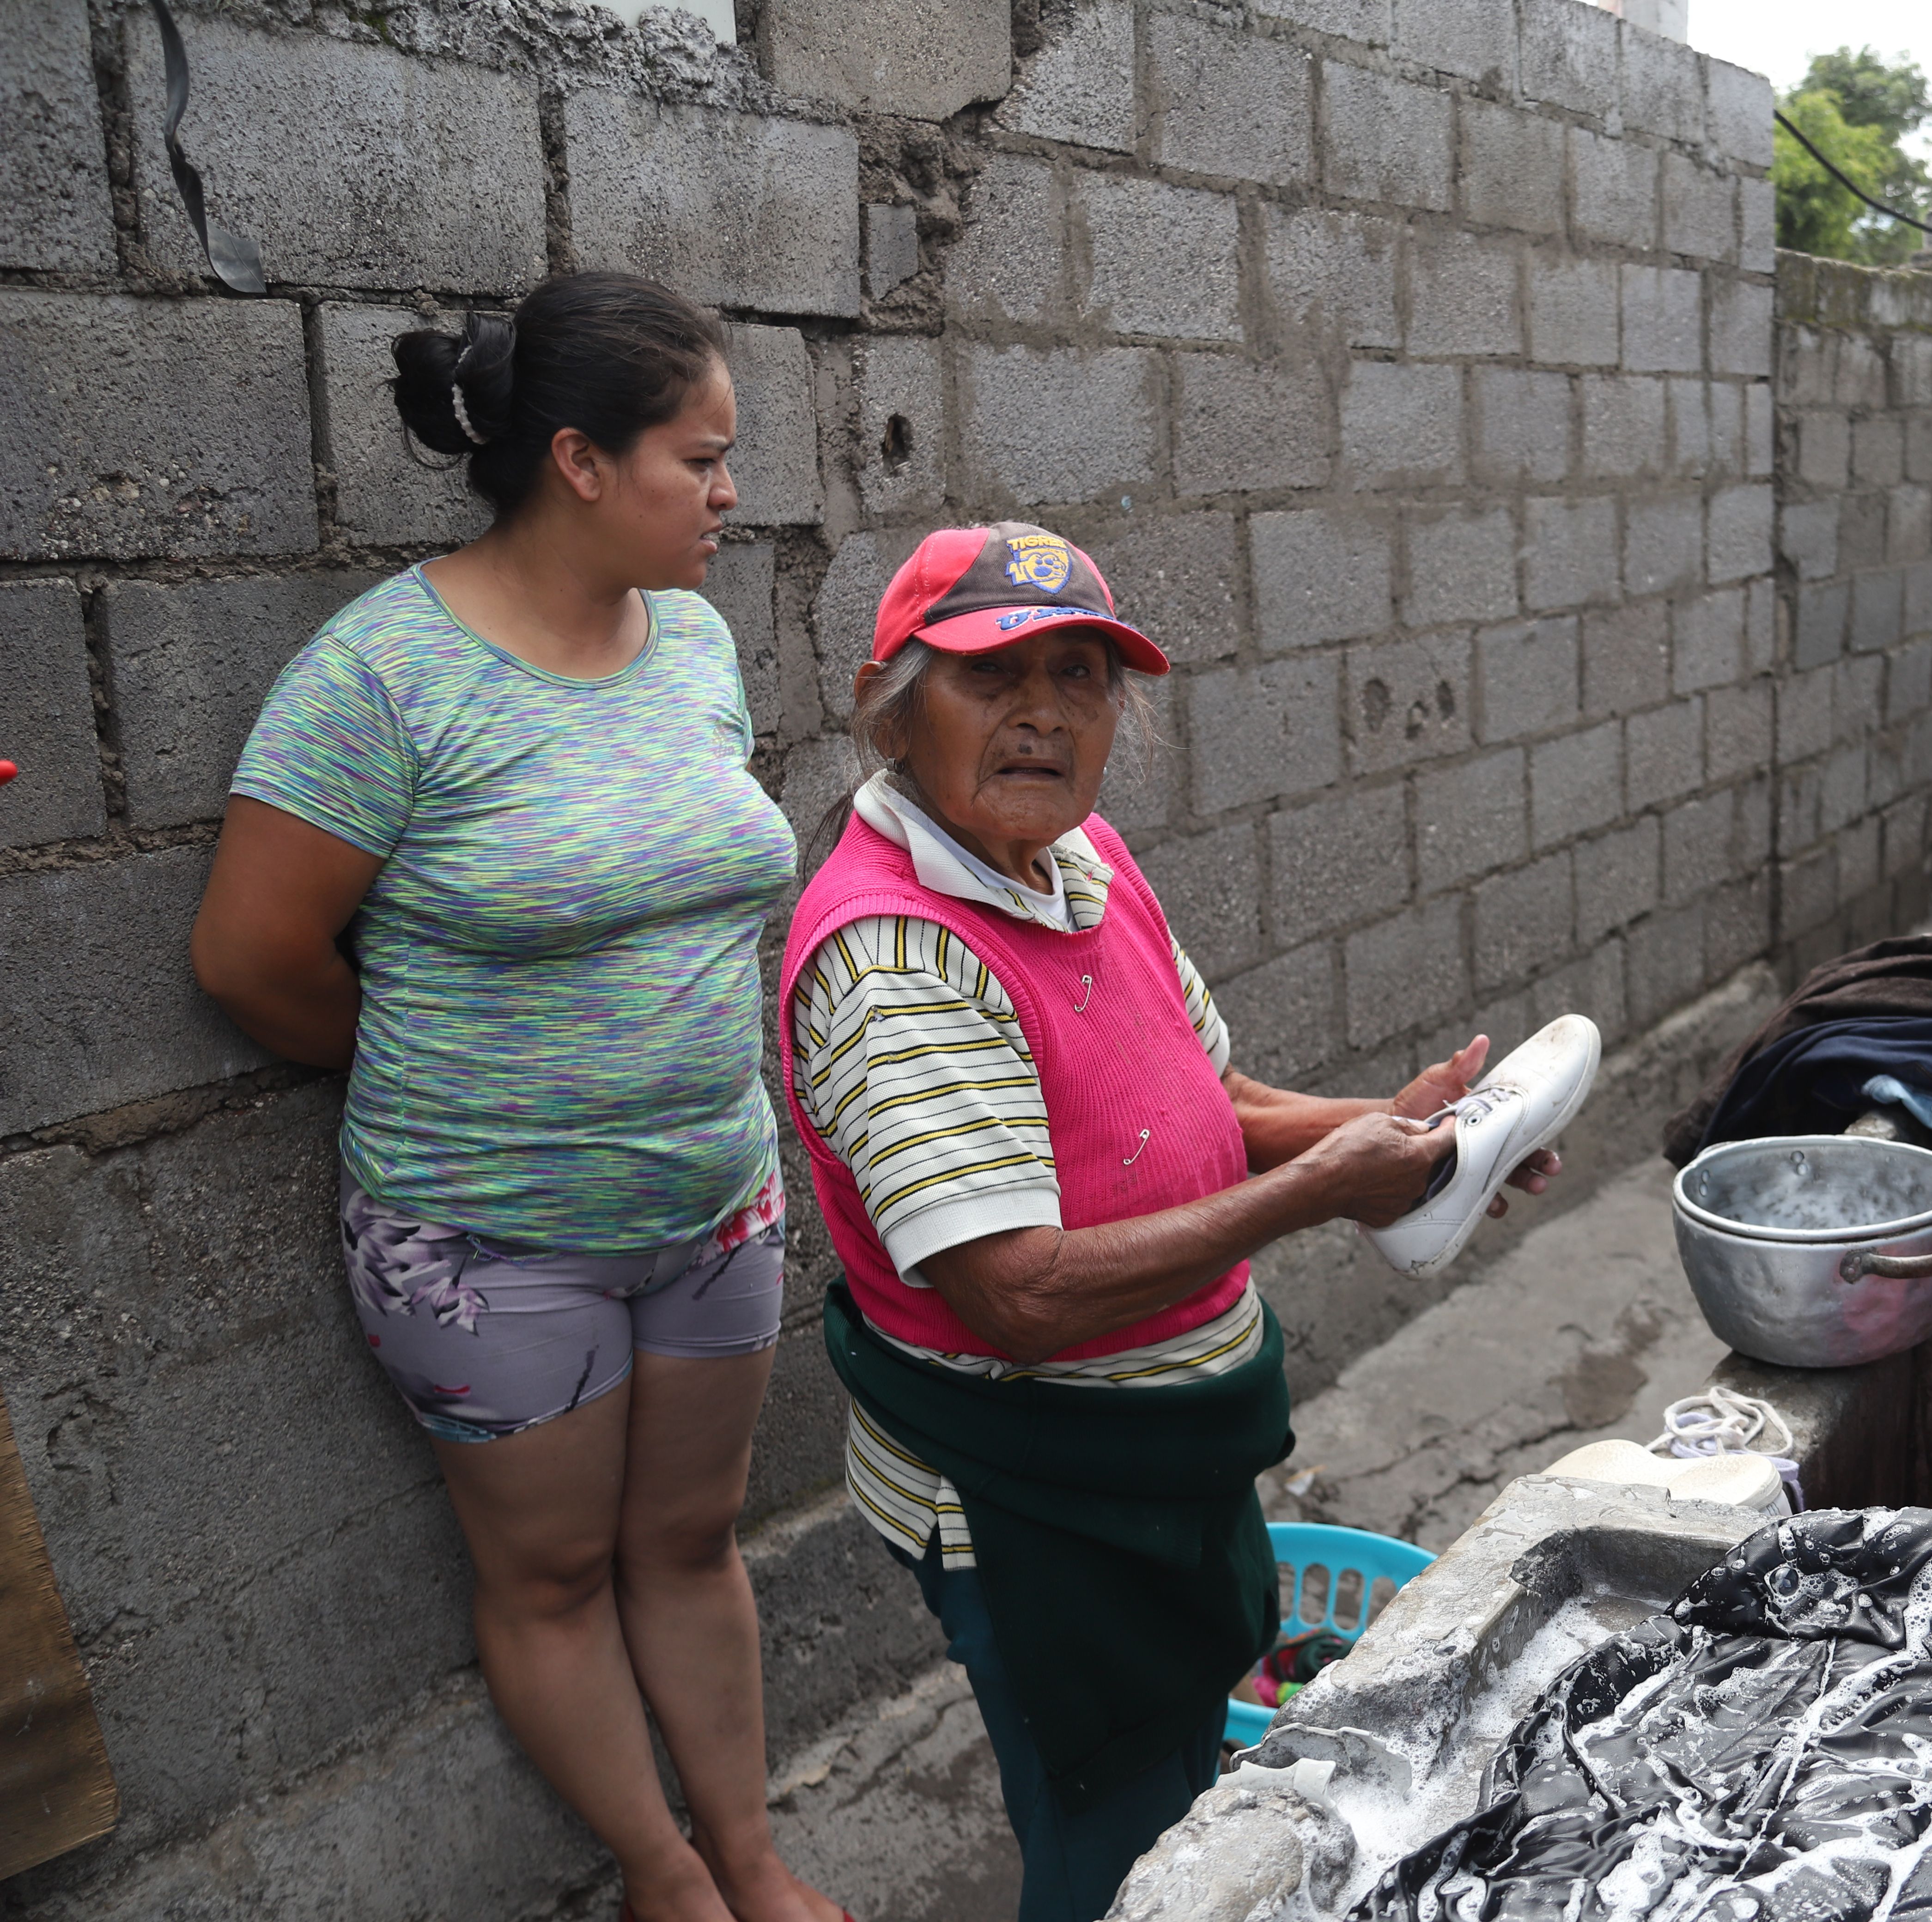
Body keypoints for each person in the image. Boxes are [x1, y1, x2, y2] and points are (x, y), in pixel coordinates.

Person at [778, 524, 1583, 1922]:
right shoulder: (896, 957)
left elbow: (1211, 1101)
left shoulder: (1079, 859)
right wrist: (1331, 1187)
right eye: (992, 677)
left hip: (1154, 1466)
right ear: (892, 709)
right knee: (1112, 1847)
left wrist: (1402, 1138)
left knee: (1178, 1786)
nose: (1043, 711)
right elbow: (1015, 1295)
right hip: (1032, 1506)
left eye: (1080, 676)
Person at [191, 271, 845, 1922]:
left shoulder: (690, 641)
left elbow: (691, 881)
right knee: (551, 1572)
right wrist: (459, 1068)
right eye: (699, 460)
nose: (729, 493)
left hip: (712, 1203)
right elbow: (254, 958)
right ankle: (662, 1873)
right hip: (491, 1242)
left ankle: (752, 1861)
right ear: (577, 462)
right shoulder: (380, 685)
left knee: (691, 1545)